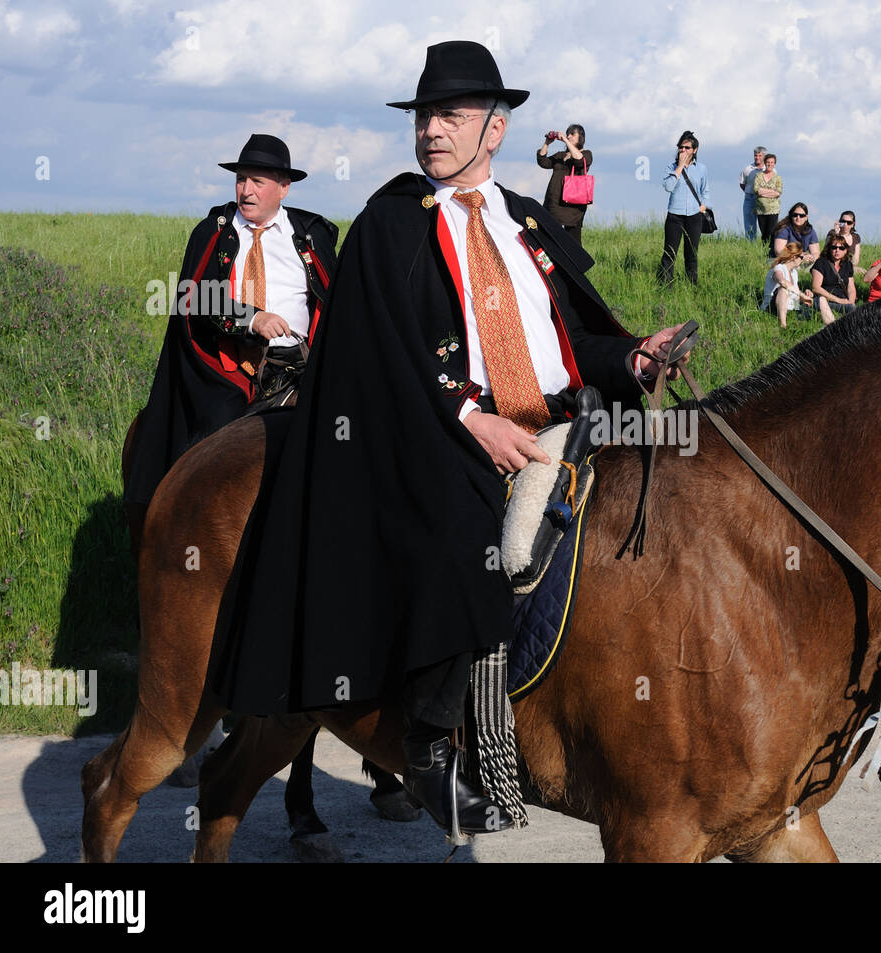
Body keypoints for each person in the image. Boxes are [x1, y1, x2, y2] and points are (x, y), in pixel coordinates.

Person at [207, 40, 690, 837]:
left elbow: (569, 335)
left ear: (494, 130)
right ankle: (430, 741)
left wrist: (631, 354)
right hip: (436, 426)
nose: (432, 129)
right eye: (426, 115)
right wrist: (471, 415)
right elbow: (378, 346)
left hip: (564, 416)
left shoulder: (528, 220)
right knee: (471, 536)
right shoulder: (392, 221)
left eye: (451, 115)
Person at [125, 133, 338, 512]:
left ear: (283, 188)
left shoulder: (309, 236)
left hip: (300, 364)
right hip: (228, 365)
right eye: (241, 179)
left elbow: (333, 298)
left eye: (258, 181)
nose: (246, 190)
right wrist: (252, 318)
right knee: (214, 445)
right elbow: (193, 299)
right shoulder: (214, 232)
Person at [660, 130, 710, 285]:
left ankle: (691, 285)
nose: (683, 150)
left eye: (687, 147)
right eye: (681, 147)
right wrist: (679, 167)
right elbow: (668, 186)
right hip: (675, 215)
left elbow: (705, 190)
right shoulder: (671, 167)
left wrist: (703, 205)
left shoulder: (701, 169)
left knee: (691, 254)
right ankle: (666, 285)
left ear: (694, 150)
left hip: (694, 216)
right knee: (670, 253)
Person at [536, 123, 592, 243]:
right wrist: (547, 143)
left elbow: (579, 160)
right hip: (554, 202)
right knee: (547, 238)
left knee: (573, 242)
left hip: (573, 206)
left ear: (581, 137)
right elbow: (543, 162)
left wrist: (566, 141)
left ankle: (576, 262)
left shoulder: (587, 154)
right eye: (568, 134)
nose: (569, 136)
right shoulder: (561, 155)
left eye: (572, 134)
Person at [761, 241, 813, 328]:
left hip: (791, 307)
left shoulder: (794, 273)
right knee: (783, 289)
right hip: (771, 307)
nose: (802, 260)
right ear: (793, 257)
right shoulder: (778, 269)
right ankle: (783, 325)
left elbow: (794, 294)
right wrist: (801, 294)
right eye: (801, 257)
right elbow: (782, 281)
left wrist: (804, 295)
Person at [810, 235, 857, 323]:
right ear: (829, 249)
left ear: (846, 250)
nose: (837, 250)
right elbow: (816, 288)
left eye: (841, 248)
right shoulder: (821, 263)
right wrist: (838, 300)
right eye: (834, 247)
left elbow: (851, 287)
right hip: (826, 300)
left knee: (856, 311)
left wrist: (851, 301)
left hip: (844, 300)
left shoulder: (848, 264)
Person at [739, 146, 767, 240]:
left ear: (764, 156)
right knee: (749, 224)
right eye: (755, 155)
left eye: (760, 155)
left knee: (764, 223)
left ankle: (766, 244)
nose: (757, 158)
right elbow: (742, 183)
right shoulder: (748, 169)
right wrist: (750, 192)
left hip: (764, 199)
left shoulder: (769, 169)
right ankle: (750, 245)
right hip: (749, 198)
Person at [754, 154, 783, 244]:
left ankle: (772, 250)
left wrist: (763, 191)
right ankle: (764, 251)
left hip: (773, 209)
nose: (769, 164)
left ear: (774, 164)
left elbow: (778, 192)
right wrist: (771, 192)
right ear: (765, 163)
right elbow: (756, 190)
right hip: (760, 209)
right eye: (768, 162)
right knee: (763, 232)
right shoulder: (758, 176)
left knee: (771, 231)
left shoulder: (778, 178)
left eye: (772, 162)